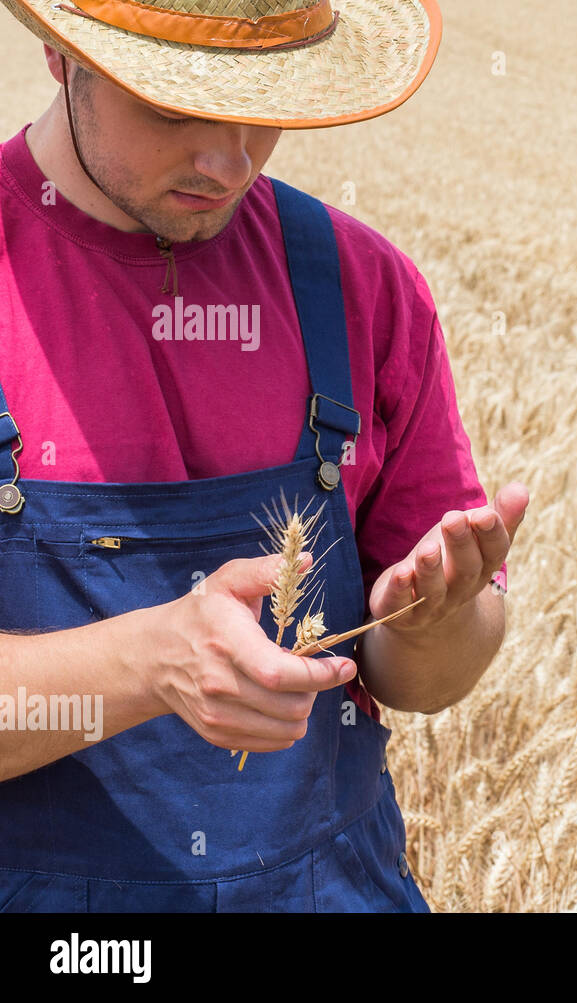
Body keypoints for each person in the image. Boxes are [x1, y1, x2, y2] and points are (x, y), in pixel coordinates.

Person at [0, 0, 529, 911]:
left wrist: (434, 626)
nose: (228, 159)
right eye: (173, 106)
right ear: (61, 54)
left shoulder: (363, 286)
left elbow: (424, 681)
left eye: (263, 106)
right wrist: (149, 662)